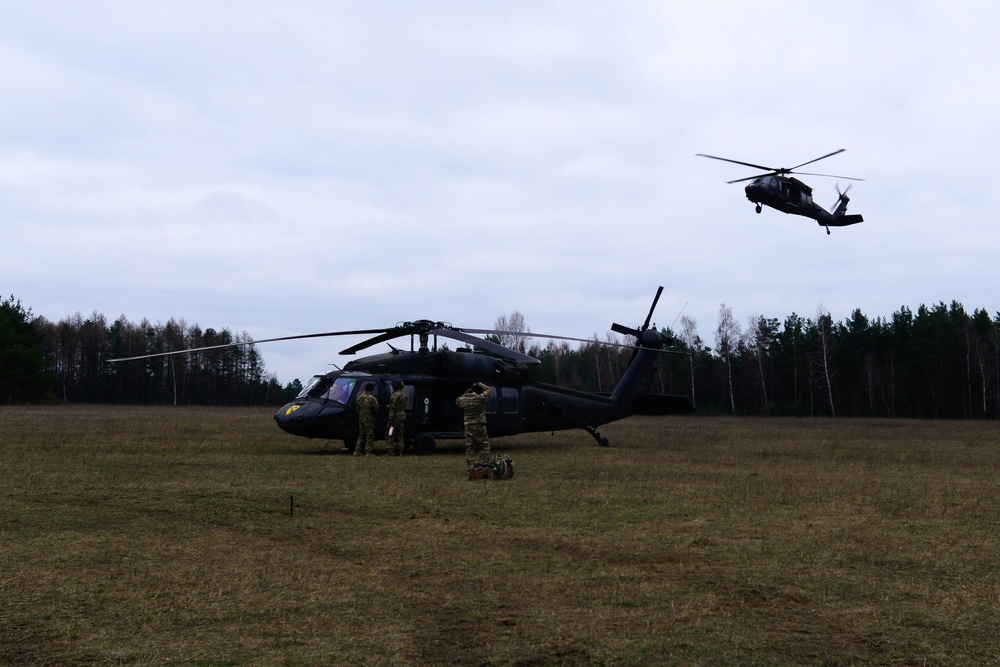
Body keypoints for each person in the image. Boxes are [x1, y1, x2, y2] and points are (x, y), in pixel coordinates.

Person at [455, 381, 493, 470]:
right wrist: (479, 383)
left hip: (468, 426)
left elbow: (457, 400)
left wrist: (467, 392)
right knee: (484, 446)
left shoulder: (464, 400)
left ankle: (470, 468)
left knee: (470, 448)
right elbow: (489, 390)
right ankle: (484, 464)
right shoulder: (481, 398)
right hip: (480, 426)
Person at [354, 383, 379, 456]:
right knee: (369, 435)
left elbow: (357, 408)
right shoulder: (372, 398)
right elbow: (376, 409)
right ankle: (368, 451)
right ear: (372, 390)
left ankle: (357, 450)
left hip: (361, 418)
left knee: (361, 434)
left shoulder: (360, 397)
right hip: (369, 419)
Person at [387, 380, 407, 456]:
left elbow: (393, 408)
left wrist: (390, 419)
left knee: (390, 433)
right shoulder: (404, 395)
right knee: (400, 434)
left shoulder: (395, 395)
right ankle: (400, 451)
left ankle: (390, 451)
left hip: (395, 417)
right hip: (402, 416)